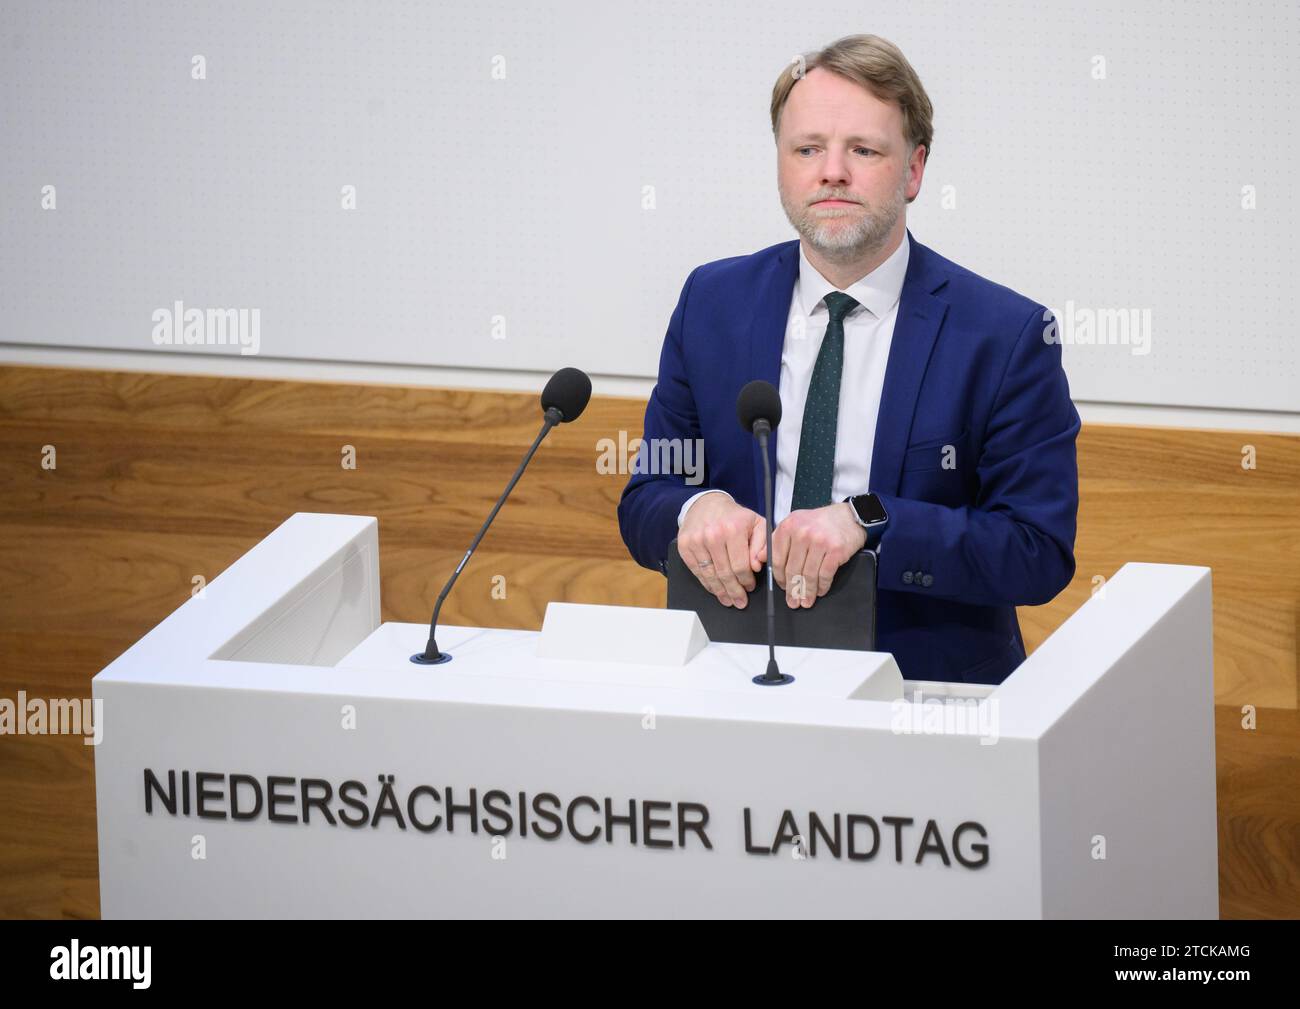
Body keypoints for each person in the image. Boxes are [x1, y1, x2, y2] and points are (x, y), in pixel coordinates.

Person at [618, 34, 1079, 684]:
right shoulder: (711, 303)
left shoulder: (1004, 336)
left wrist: (874, 522)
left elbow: (1037, 552)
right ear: (781, 163)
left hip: (922, 695)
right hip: (732, 680)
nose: (832, 171)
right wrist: (695, 511)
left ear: (914, 169)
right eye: (807, 149)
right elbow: (645, 502)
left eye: (863, 150)